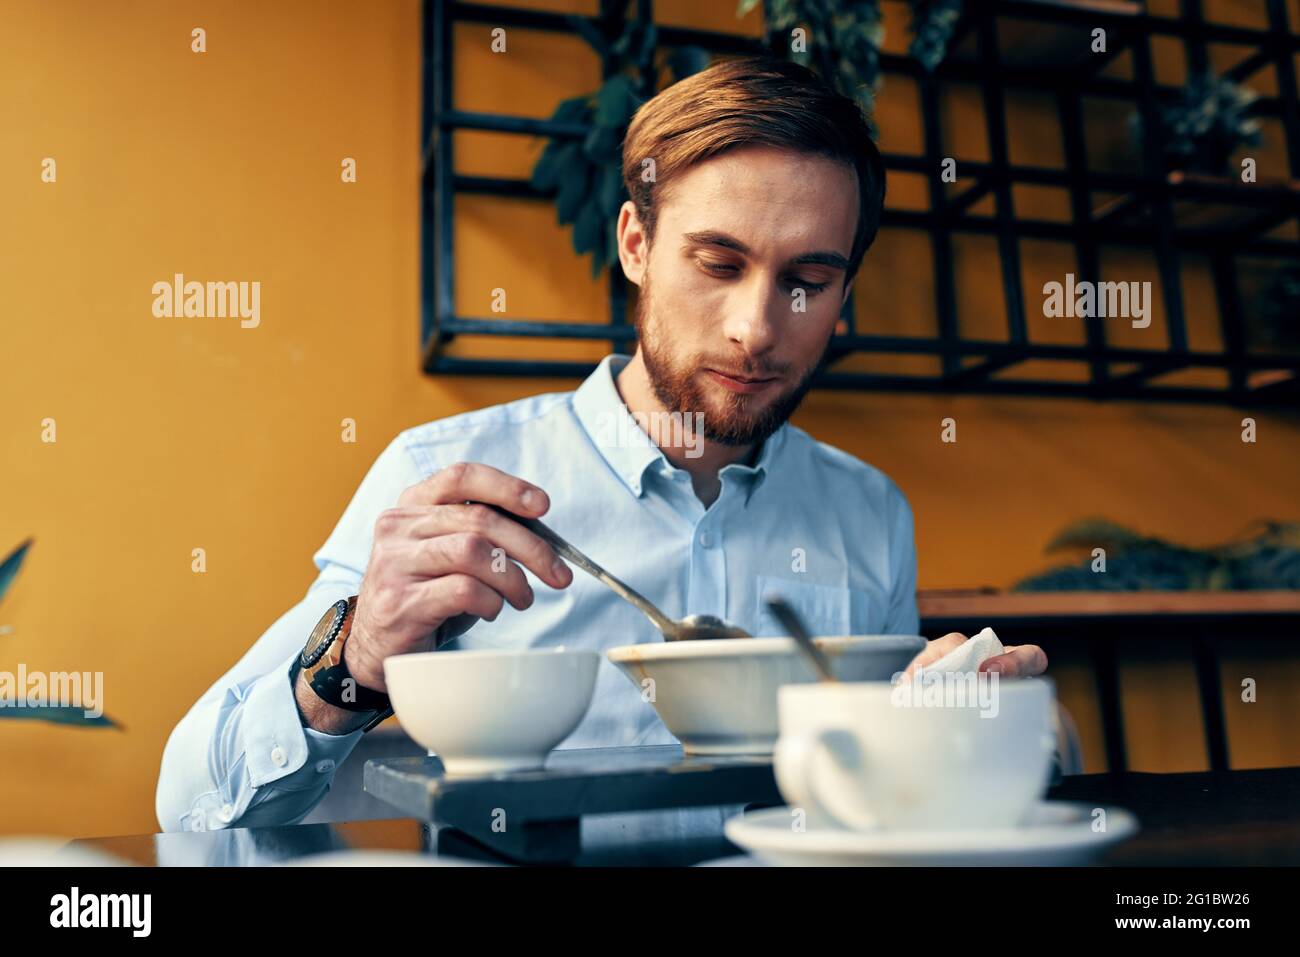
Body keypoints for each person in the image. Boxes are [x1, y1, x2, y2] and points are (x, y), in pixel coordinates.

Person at [156, 56, 1047, 834]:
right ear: (636, 244)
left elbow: (873, 803)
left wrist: (953, 733)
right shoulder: (444, 481)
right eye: (718, 264)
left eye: (807, 281)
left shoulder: (869, 512)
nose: (756, 328)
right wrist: (353, 663)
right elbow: (190, 803)